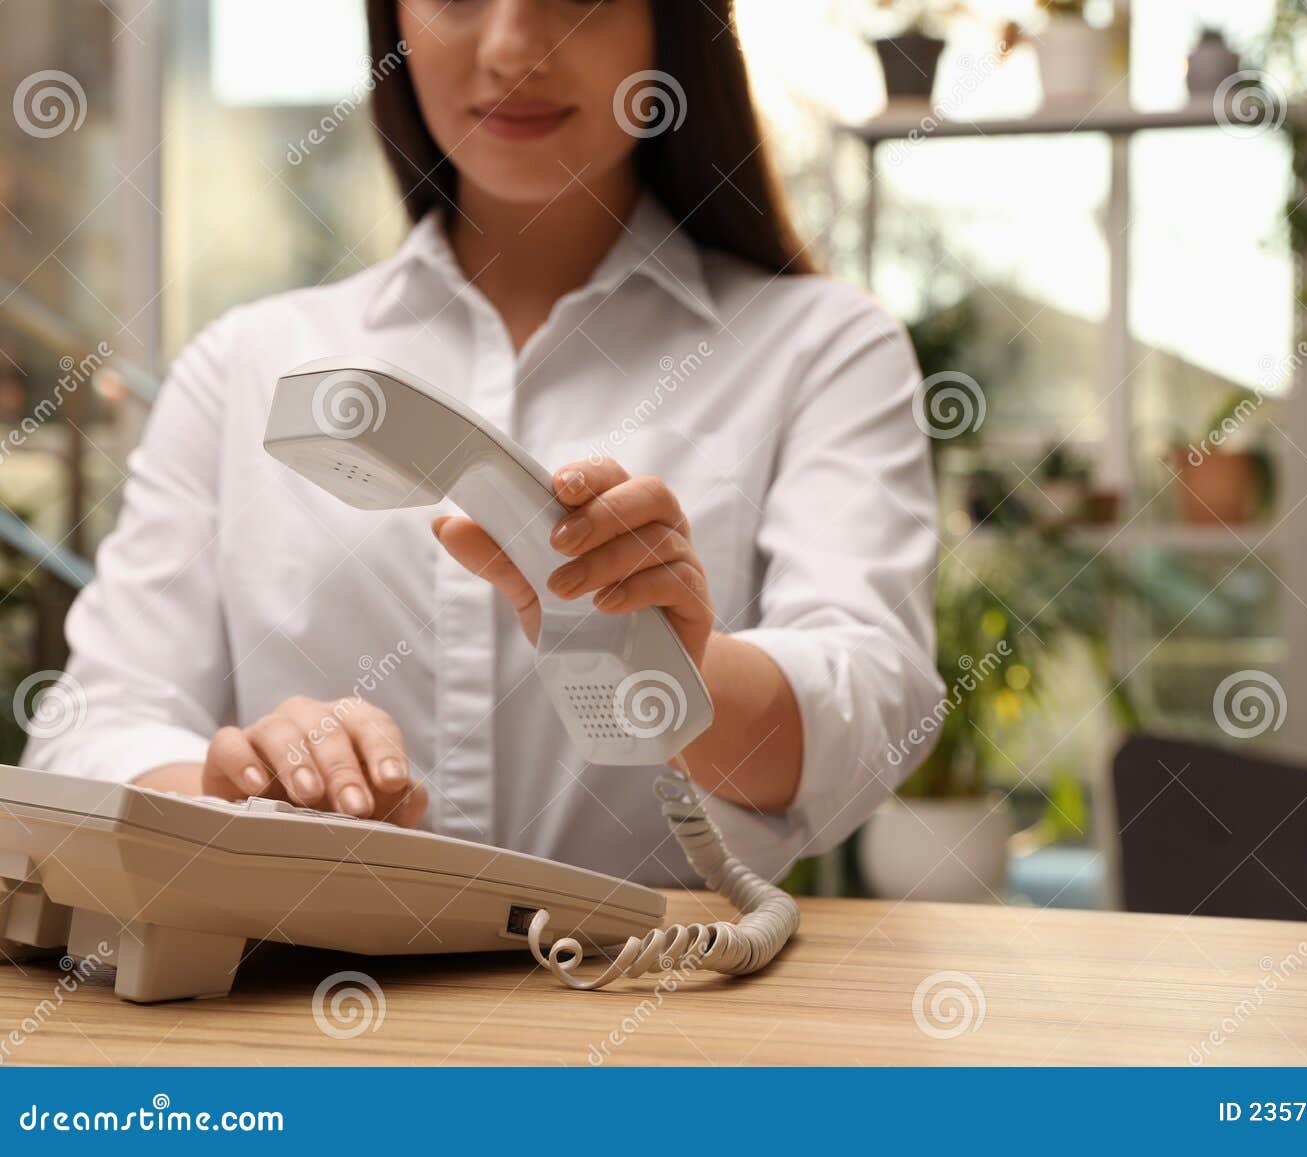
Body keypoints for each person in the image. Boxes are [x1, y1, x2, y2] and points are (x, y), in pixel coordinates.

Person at [23, 0, 943, 886]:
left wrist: (685, 671)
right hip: (296, 1019)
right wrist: (237, 800)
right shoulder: (247, 365)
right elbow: (89, 730)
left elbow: (872, 718)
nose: (512, 46)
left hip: (666, 1020)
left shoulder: (820, 347)